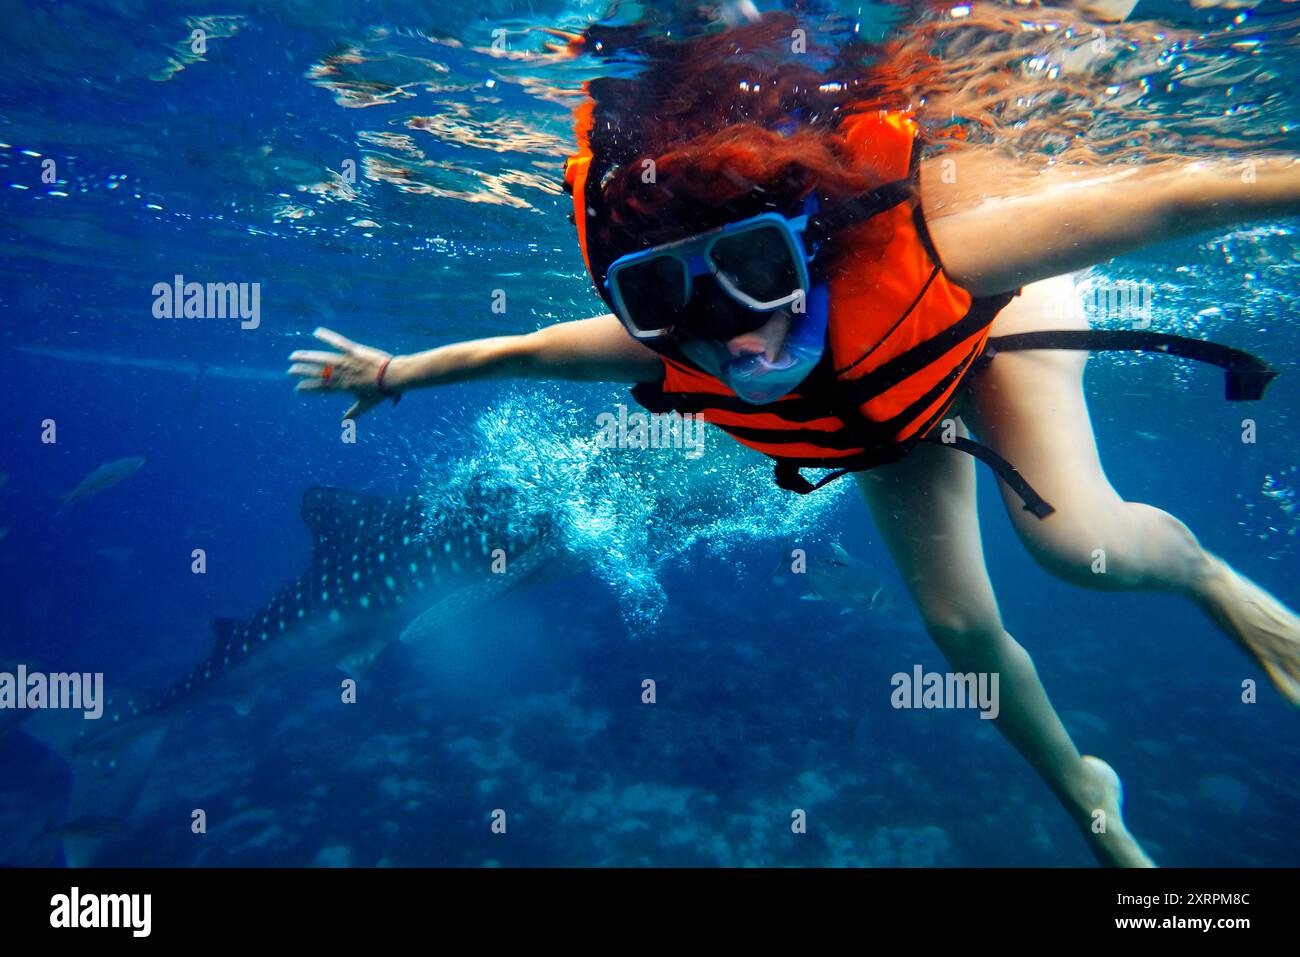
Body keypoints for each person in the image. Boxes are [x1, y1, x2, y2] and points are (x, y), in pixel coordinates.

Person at [288, 15, 1299, 866]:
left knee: (1078, 545)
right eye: (665, 290)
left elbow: (1180, 197)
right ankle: (1089, 799)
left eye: (753, 267)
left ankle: (1207, 578)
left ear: (805, 250)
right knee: (956, 631)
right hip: (887, 416)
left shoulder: (952, 242)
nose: (725, 322)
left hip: (989, 327)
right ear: (639, 298)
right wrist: (393, 375)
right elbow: (524, 350)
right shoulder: (659, 346)